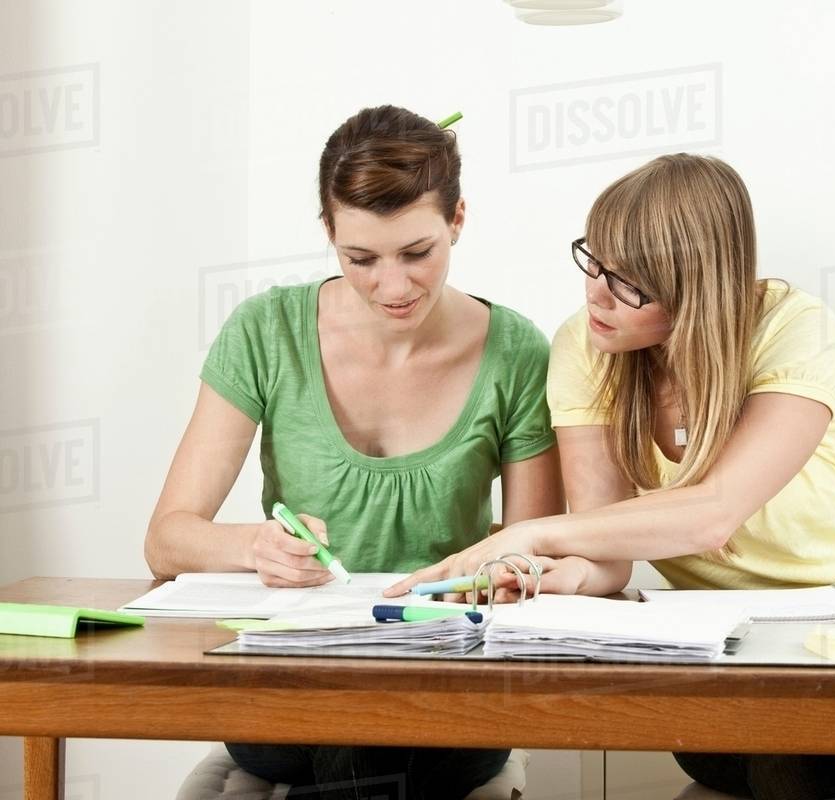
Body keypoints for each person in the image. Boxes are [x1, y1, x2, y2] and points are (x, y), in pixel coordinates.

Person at [389, 153, 835, 799]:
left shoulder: (791, 325)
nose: (596, 293)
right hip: (741, 654)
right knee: (726, 758)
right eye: (595, 262)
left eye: (631, 282)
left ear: (700, 285)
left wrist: (523, 535)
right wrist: (535, 574)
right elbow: (603, 557)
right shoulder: (586, 346)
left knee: (798, 767)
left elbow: (714, 511)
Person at [145, 105, 563, 800]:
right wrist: (258, 547)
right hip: (288, 691)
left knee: (378, 729)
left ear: (458, 220)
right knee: (338, 720)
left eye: (417, 253)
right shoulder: (265, 331)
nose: (392, 288)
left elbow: (533, 557)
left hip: (445, 695)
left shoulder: (516, 352)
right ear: (329, 234)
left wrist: (499, 573)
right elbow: (166, 540)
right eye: (360, 259)